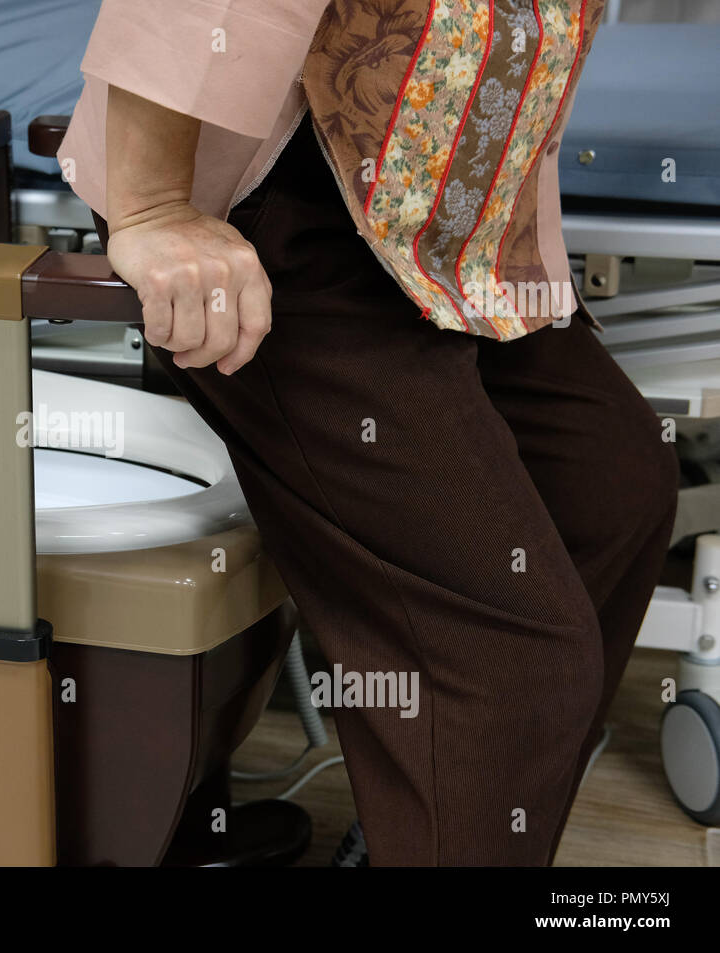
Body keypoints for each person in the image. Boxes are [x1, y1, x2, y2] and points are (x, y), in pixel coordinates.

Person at [57, 0, 678, 865]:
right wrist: (155, 207)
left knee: (611, 486)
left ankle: (427, 816)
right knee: (508, 655)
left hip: (449, 206)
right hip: (280, 201)